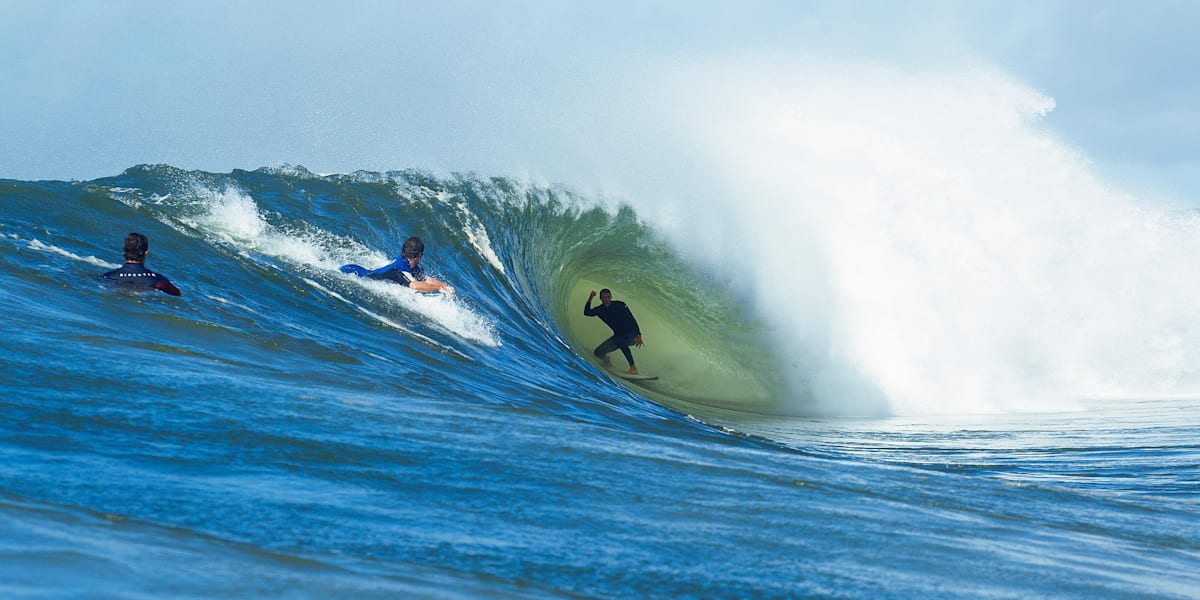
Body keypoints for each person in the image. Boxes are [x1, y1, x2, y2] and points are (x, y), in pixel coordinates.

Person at [340, 236, 455, 295]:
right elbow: (414, 285)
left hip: (363, 272)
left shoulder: (411, 265)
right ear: (419, 255)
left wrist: (445, 286)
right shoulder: (402, 267)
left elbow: (425, 279)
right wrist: (439, 288)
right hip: (356, 273)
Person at [584, 288, 644, 375]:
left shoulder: (620, 305)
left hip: (631, 334)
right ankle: (607, 363)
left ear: (611, 297)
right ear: (601, 298)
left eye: (608, 297)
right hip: (618, 336)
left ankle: (633, 368)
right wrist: (590, 298)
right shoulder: (600, 310)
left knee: (621, 342)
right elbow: (587, 312)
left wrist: (639, 334)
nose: (606, 299)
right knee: (598, 352)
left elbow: (632, 319)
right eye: (604, 297)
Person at [101, 232, 182, 296]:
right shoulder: (159, 281)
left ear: (125, 251)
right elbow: (178, 294)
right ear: (145, 253)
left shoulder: (108, 276)